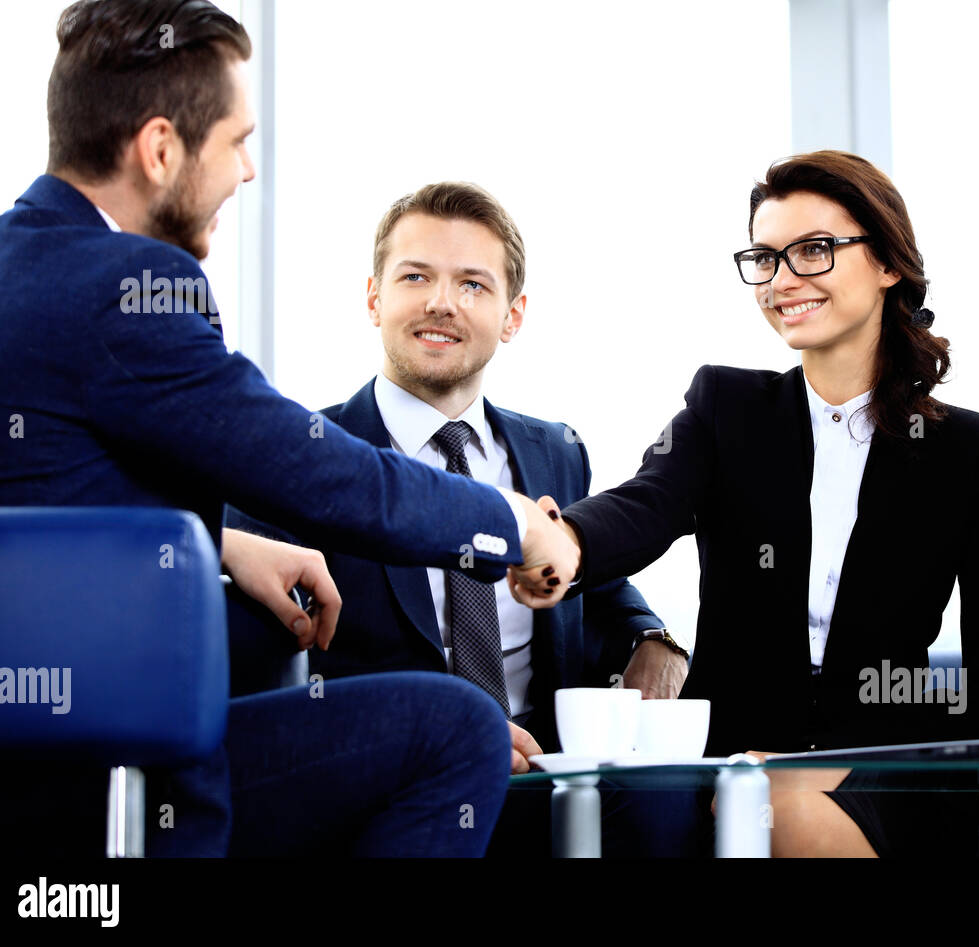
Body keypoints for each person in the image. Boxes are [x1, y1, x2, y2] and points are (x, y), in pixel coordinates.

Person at [0, 0, 575, 857]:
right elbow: (326, 475)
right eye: (237, 142)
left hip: (5, 770)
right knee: (456, 727)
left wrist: (218, 545)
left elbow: (23, 495)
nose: (248, 172)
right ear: (161, 150)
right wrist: (511, 522)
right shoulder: (131, 284)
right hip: (99, 792)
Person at [548, 150, 979, 857]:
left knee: (785, 804)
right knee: (757, 799)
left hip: (888, 769)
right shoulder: (726, 407)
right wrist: (565, 540)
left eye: (814, 250)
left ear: (889, 264)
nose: (783, 281)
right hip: (732, 751)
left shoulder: (969, 450)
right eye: (766, 258)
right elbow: (644, 504)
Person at [229, 181, 700, 854]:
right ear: (373, 298)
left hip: (546, 781)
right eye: (415, 276)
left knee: (675, 798)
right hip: (396, 794)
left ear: (513, 315)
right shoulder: (300, 457)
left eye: (473, 285)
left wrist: (652, 636)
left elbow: (587, 580)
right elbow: (258, 667)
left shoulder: (554, 451)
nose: (441, 302)